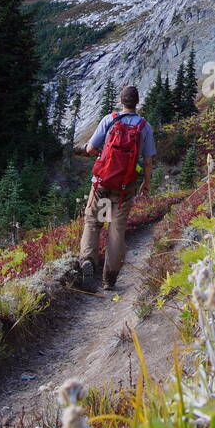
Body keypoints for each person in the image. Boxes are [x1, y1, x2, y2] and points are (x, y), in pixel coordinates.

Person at [76, 85, 155, 291]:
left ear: (121, 101)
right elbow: (147, 161)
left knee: (94, 222)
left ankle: (88, 260)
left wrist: (96, 153)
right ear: (137, 103)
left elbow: (91, 148)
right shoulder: (144, 126)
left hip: (103, 184)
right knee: (116, 230)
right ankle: (109, 278)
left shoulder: (109, 120)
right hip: (124, 189)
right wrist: (146, 184)